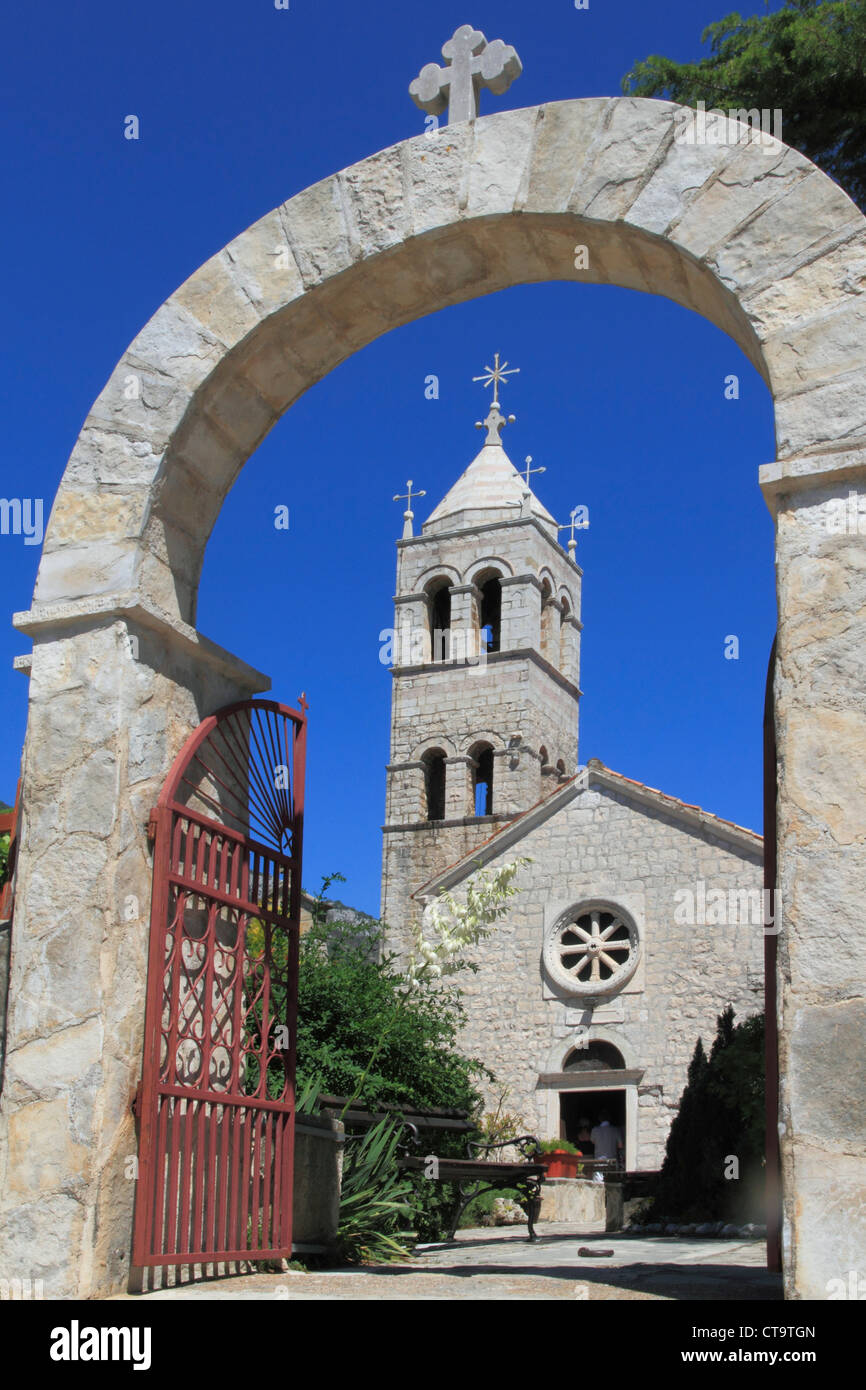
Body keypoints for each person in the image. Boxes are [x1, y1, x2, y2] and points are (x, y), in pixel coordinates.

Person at [589, 1111, 623, 1181]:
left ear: (599, 1119)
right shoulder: (615, 1130)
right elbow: (620, 1145)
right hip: (612, 1161)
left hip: (598, 1161)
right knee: (612, 1183)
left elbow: (593, 1141)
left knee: (598, 1184)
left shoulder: (595, 1130)